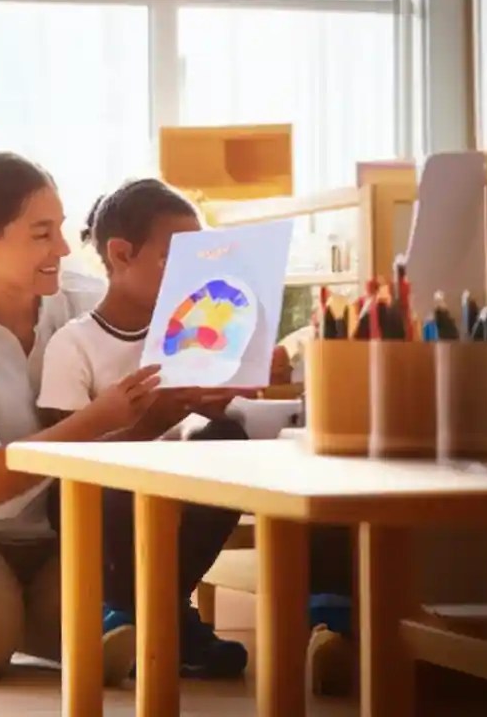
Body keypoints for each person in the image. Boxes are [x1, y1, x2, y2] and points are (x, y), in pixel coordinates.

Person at [0, 152, 229, 684]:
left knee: (119, 634)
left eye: (63, 230)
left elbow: (170, 357)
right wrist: (98, 418)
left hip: (70, 534)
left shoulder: (86, 302)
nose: (65, 248)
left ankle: (24, 618)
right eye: (42, 234)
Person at [38, 177, 354, 689]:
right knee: (120, 482)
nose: (194, 275)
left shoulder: (200, 331)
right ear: (121, 254)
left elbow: (229, 416)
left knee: (234, 438)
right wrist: (155, 418)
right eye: (176, 259)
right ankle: (132, 617)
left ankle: (325, 621)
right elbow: (64, 465)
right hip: (100, 506)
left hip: (179, 497)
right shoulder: (73, 346)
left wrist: (259, 380)